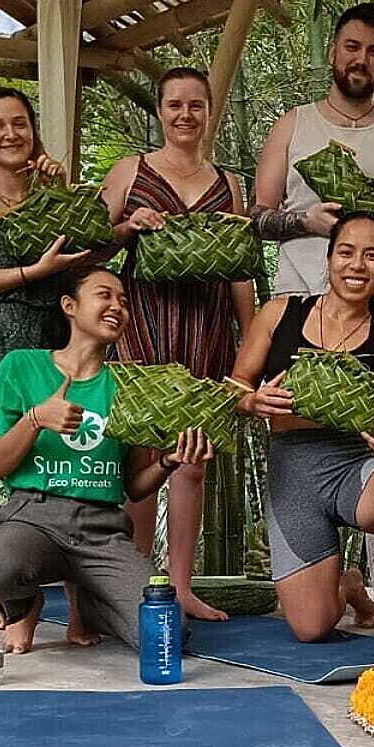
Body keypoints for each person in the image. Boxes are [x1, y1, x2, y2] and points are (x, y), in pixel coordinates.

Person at [250, 1, 374, 615]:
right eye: (352, 47)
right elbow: (254, 216)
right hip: (299, 308)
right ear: (333, 52)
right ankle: (331, 580)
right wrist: (302, 220)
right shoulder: (292, 125)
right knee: (301, 439)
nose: (362, 60)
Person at [230, 212, 374, 665]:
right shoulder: (279, 313)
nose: (357, 265)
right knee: (312, 627)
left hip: (356, 469)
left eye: (371, 256)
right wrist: (253, 402)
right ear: (327, 259)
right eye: (346, 252)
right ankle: (348, 586)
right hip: (294, 473)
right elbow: (236, 386)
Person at [0, 266, 214, 654]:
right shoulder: (21, 366)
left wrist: (168, 462)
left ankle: (90, 605)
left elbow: (133, 486)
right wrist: (36, 419)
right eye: (104, 295)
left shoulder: (128, 385)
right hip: (33, 517)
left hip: (103, 529)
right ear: (69, 305)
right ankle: (25, 604)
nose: (117, 306)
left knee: (167, 633)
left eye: (123, 300)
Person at [0, 87, 99, 632]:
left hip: (46, 335)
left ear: (33, 130)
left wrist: (61, 194)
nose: (11, 134)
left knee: (55, 465)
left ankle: (74, 597)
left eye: (20, 124)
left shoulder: (52, 190)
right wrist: (32, 271)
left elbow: (89, 250)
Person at [100, 67, 254, 621]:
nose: (185, 115)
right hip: (143, 321)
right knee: (143, 456)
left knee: (193, 459)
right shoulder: (130, 171)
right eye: (174, 105)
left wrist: (246, 350)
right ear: (159, 111)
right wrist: (127, 227)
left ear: (209, 112)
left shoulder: (229, 184)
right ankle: (137, 584)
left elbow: (239, 269)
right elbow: (89, 248)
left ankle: (183, 586)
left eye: (196, 106)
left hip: (206, 328)